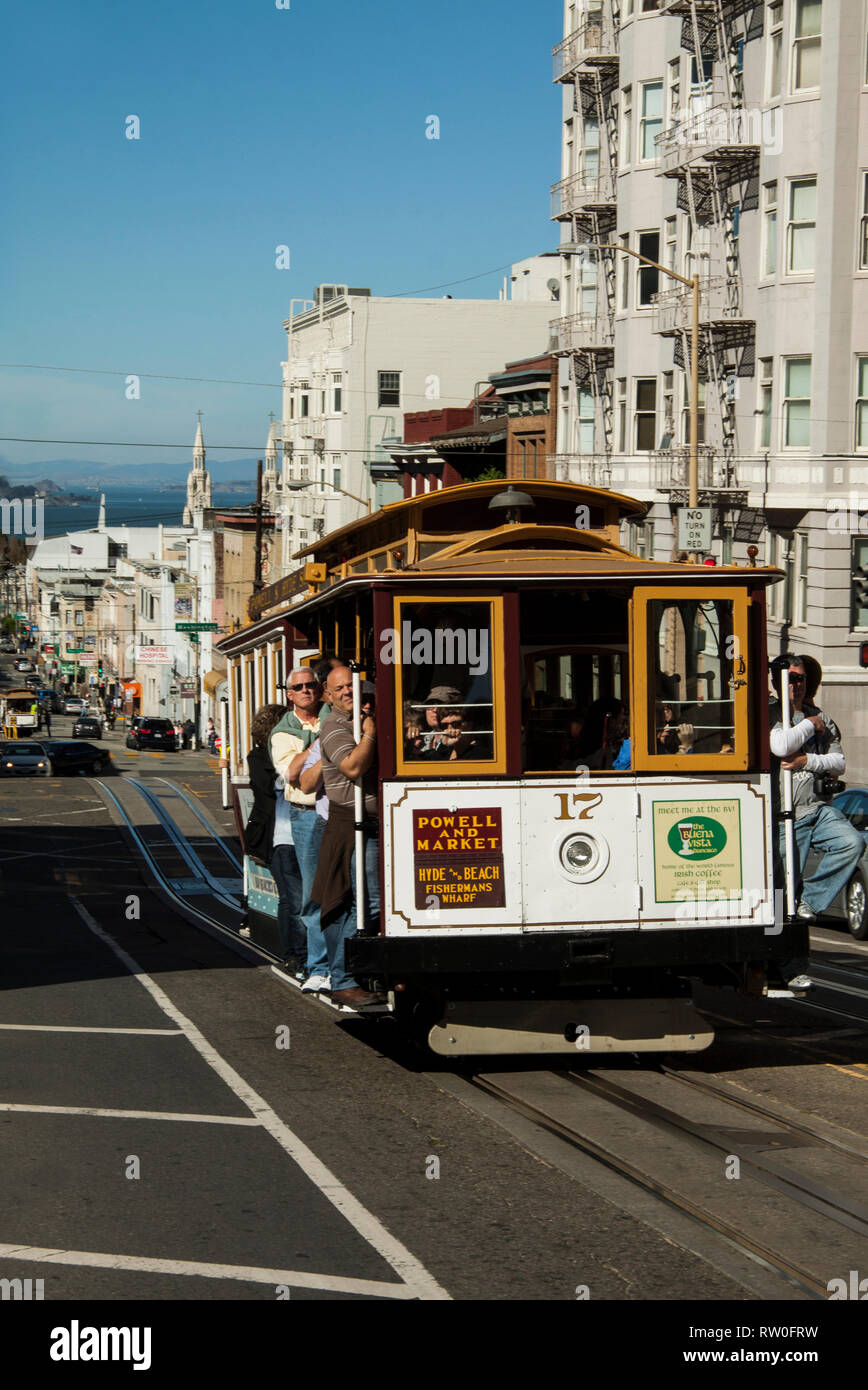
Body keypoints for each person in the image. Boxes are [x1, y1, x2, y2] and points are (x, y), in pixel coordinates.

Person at [769, 654, 863, 988]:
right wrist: (810, 726)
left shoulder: (822, 717)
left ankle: (812, 900)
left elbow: (837, 763)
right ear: (776, 682)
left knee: (852, 843)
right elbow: (780, 745)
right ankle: (788, 968)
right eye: (788, 679)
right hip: (781, 819)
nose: (793, 685)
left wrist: (808, 759)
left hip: (815, 810)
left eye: (799, 680)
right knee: (781, 897)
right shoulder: (768, 713)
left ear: (809, 684)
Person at [312, 666, 385, 1009]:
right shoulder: (334, 726)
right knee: (364, 903)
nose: (347, 693)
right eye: (340, 689)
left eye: (351, 687)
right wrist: (370, 734)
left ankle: (352, 975)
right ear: (327, 694)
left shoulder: (360, 718)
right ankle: (342, 980)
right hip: (351, 825)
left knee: (356, 903)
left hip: (371, 823)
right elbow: (353, 768)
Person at [268, 668, 331, 987]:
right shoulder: (282, 732)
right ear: (289, 694)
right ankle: (318, 966)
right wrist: (322, 742)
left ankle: (340, 962)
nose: (307, 690)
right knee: (313, 894)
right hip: (307, 816)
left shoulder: (333, 713)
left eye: (311, 685)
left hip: (342, 811)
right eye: (299, 687)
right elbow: (292, 773)